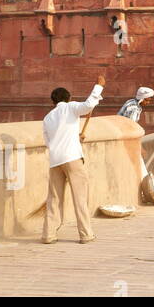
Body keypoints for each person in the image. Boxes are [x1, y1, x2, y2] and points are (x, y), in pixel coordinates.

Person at [43, 74, 105, 244]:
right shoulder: (70, 107)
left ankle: (48, 235)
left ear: (53, 102)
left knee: (54, 199)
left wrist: (76, 138)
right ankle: (85, 234)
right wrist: (99, 86)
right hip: (72, 158)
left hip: (55, 160)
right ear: (68, 98)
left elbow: (50, 142)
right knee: (80, 197)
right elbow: (88, 105)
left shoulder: (48, 118)